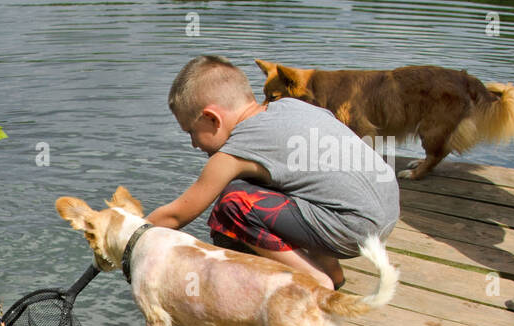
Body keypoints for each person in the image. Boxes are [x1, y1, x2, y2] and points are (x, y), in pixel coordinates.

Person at [147, 55, 400, 290]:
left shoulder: (234, 153)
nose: (193, 144)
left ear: (212, 118)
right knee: (298, 183)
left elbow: (176, 216)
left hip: (353, 228)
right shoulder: (291, 105)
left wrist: (123, 236)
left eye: (190, 132)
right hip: (386, 211)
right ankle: (331, 272)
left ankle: (317, 282)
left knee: (232, 204)